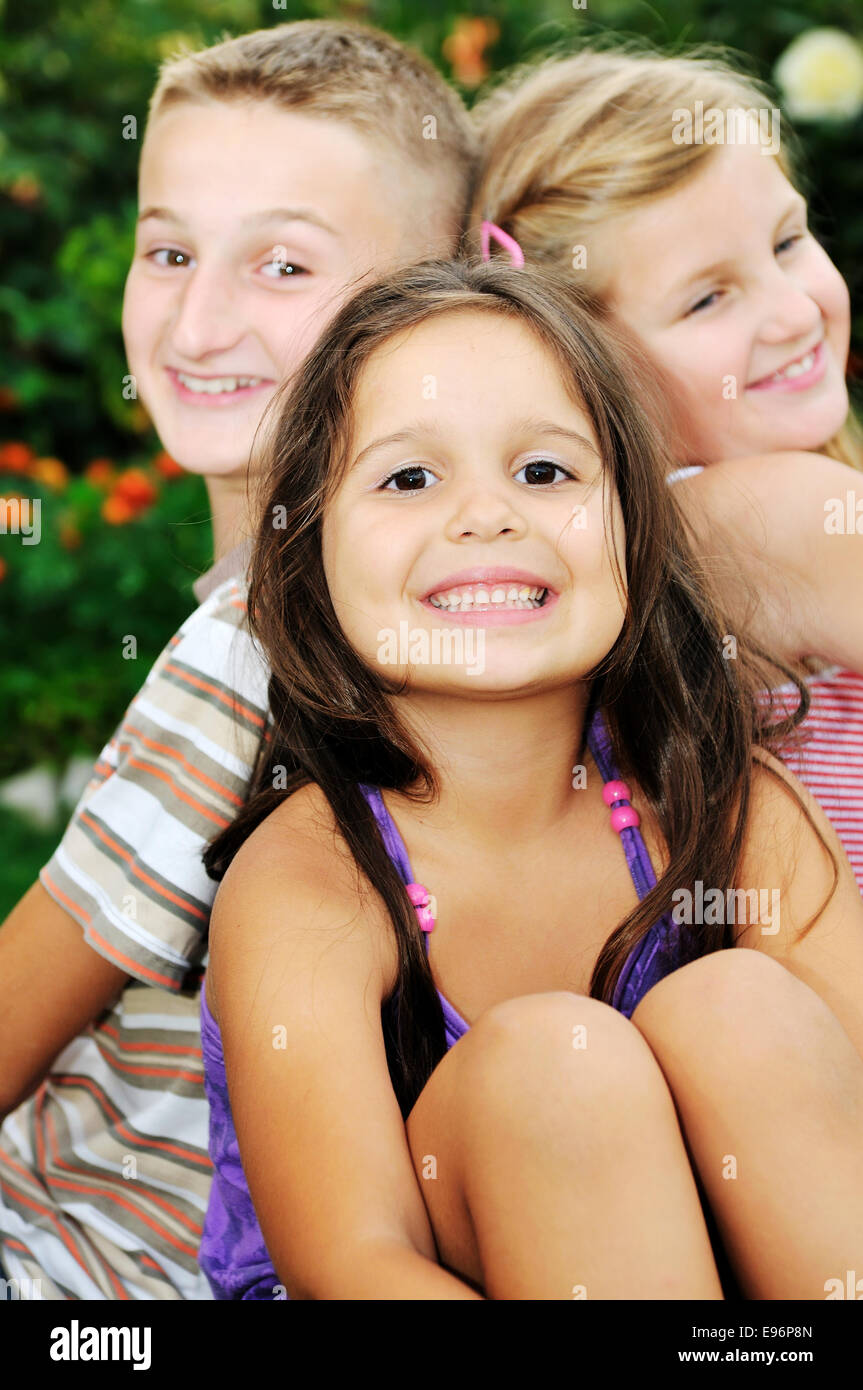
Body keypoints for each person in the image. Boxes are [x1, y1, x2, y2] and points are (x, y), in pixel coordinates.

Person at [197, 258, 863, 1301]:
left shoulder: (728, 806)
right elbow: (350, 1265)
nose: (485, 515)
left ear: (636, 527)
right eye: (408, 478)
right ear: (308, 551)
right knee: (554, 1066)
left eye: (544, 472)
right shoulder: (310, 882)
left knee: (737, 1008)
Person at [0, 20, 477, 1299]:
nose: (199, 320)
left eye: (281, 263)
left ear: (458, 281)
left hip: (85, 1266)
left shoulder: (260, 637)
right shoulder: (478, 594)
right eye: (169, 249)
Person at [467, 45, 863, 888]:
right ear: (581, 365)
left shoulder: (635, 539)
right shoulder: (774, 517)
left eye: (787, 241)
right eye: (707, 298)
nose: (793, 311)